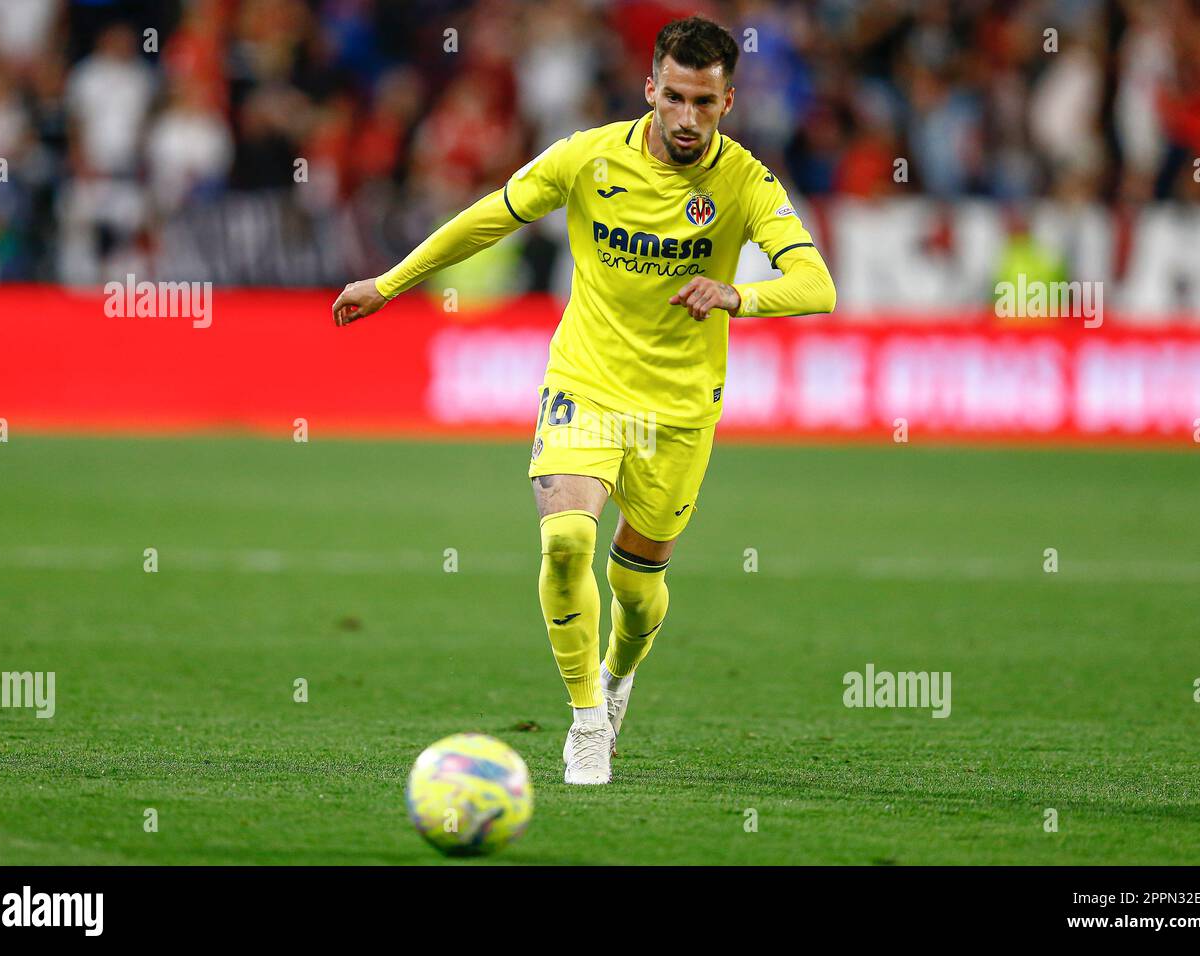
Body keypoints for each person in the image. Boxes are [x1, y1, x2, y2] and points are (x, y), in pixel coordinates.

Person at [332, 15, 835, 784]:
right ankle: (586, 722)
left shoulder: (745, 182)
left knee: (636, 589)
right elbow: (492, 214)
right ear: (649, 90)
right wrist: (391, 282)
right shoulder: (588, 156)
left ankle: (619, 675)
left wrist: (739, 294)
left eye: (705, 103)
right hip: (587, 384)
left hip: (680, 409)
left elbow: (817, 285)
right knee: (566, 542)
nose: (688, 118)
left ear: (728, 101)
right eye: (674, 98)